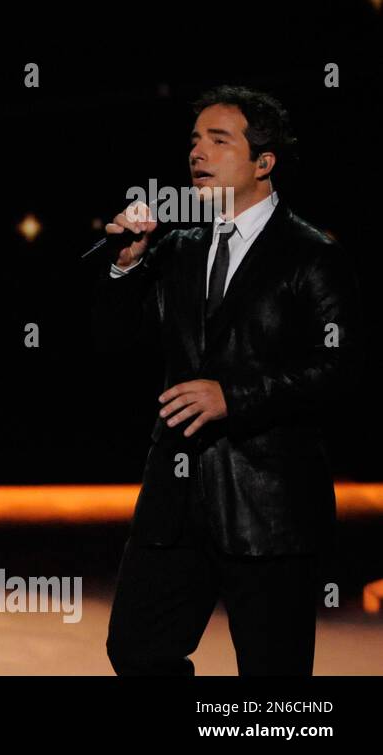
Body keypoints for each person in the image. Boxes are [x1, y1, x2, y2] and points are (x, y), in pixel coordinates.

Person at [96, 86, 361, 675]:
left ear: (264, 163)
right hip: (176, 498)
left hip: (267, 507)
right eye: (194, 140)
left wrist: (233, 398)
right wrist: (126, 264)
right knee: (137, 650)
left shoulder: (312, 255)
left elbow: (340, 369)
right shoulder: (175, 249)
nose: (198, 153)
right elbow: (112, 344)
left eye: (219, 141)